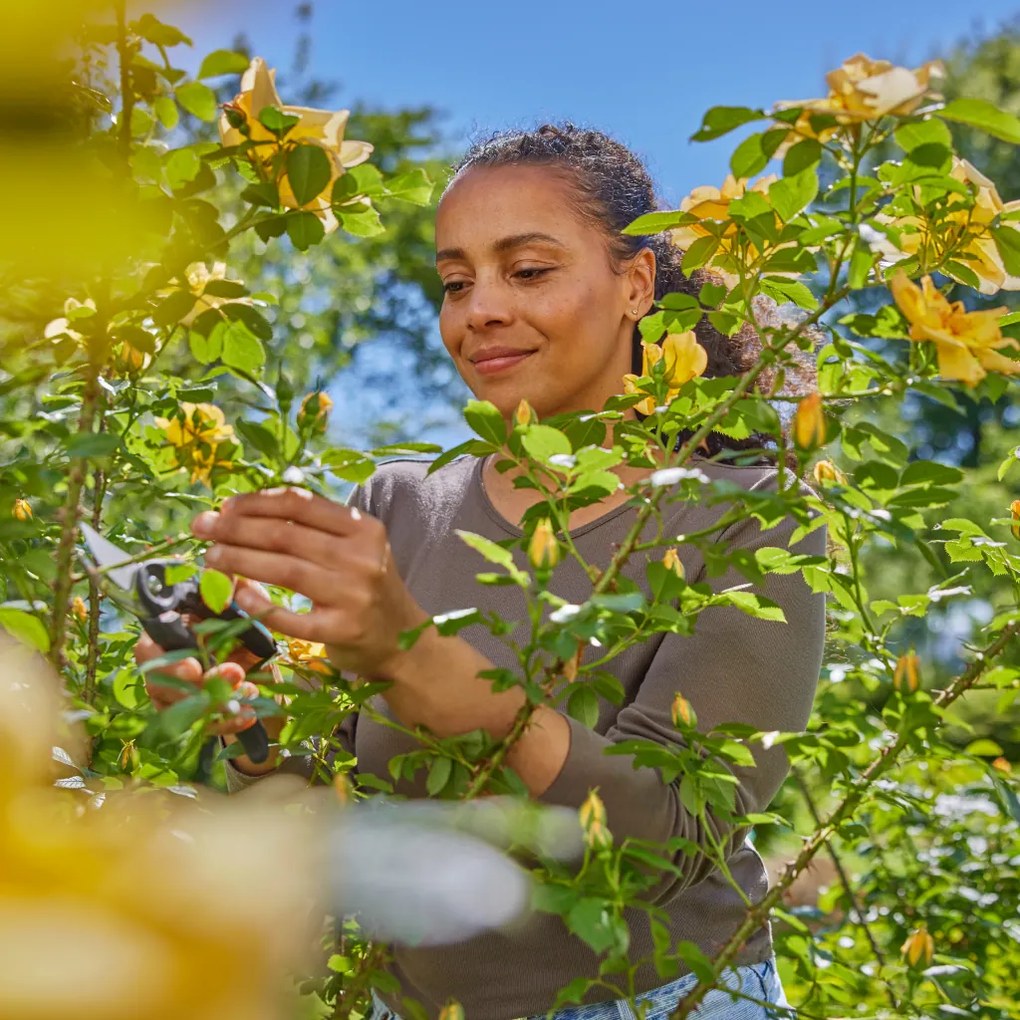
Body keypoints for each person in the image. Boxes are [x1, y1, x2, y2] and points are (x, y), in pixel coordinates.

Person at [135, 124, 827, 1020]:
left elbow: (676, 838)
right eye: (456, 282)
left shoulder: (747, 515)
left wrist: (424, 664)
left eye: (528, 271)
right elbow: (341, 824)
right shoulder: (395, 502)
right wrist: (245, 724)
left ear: (637, 284)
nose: (479, 311)